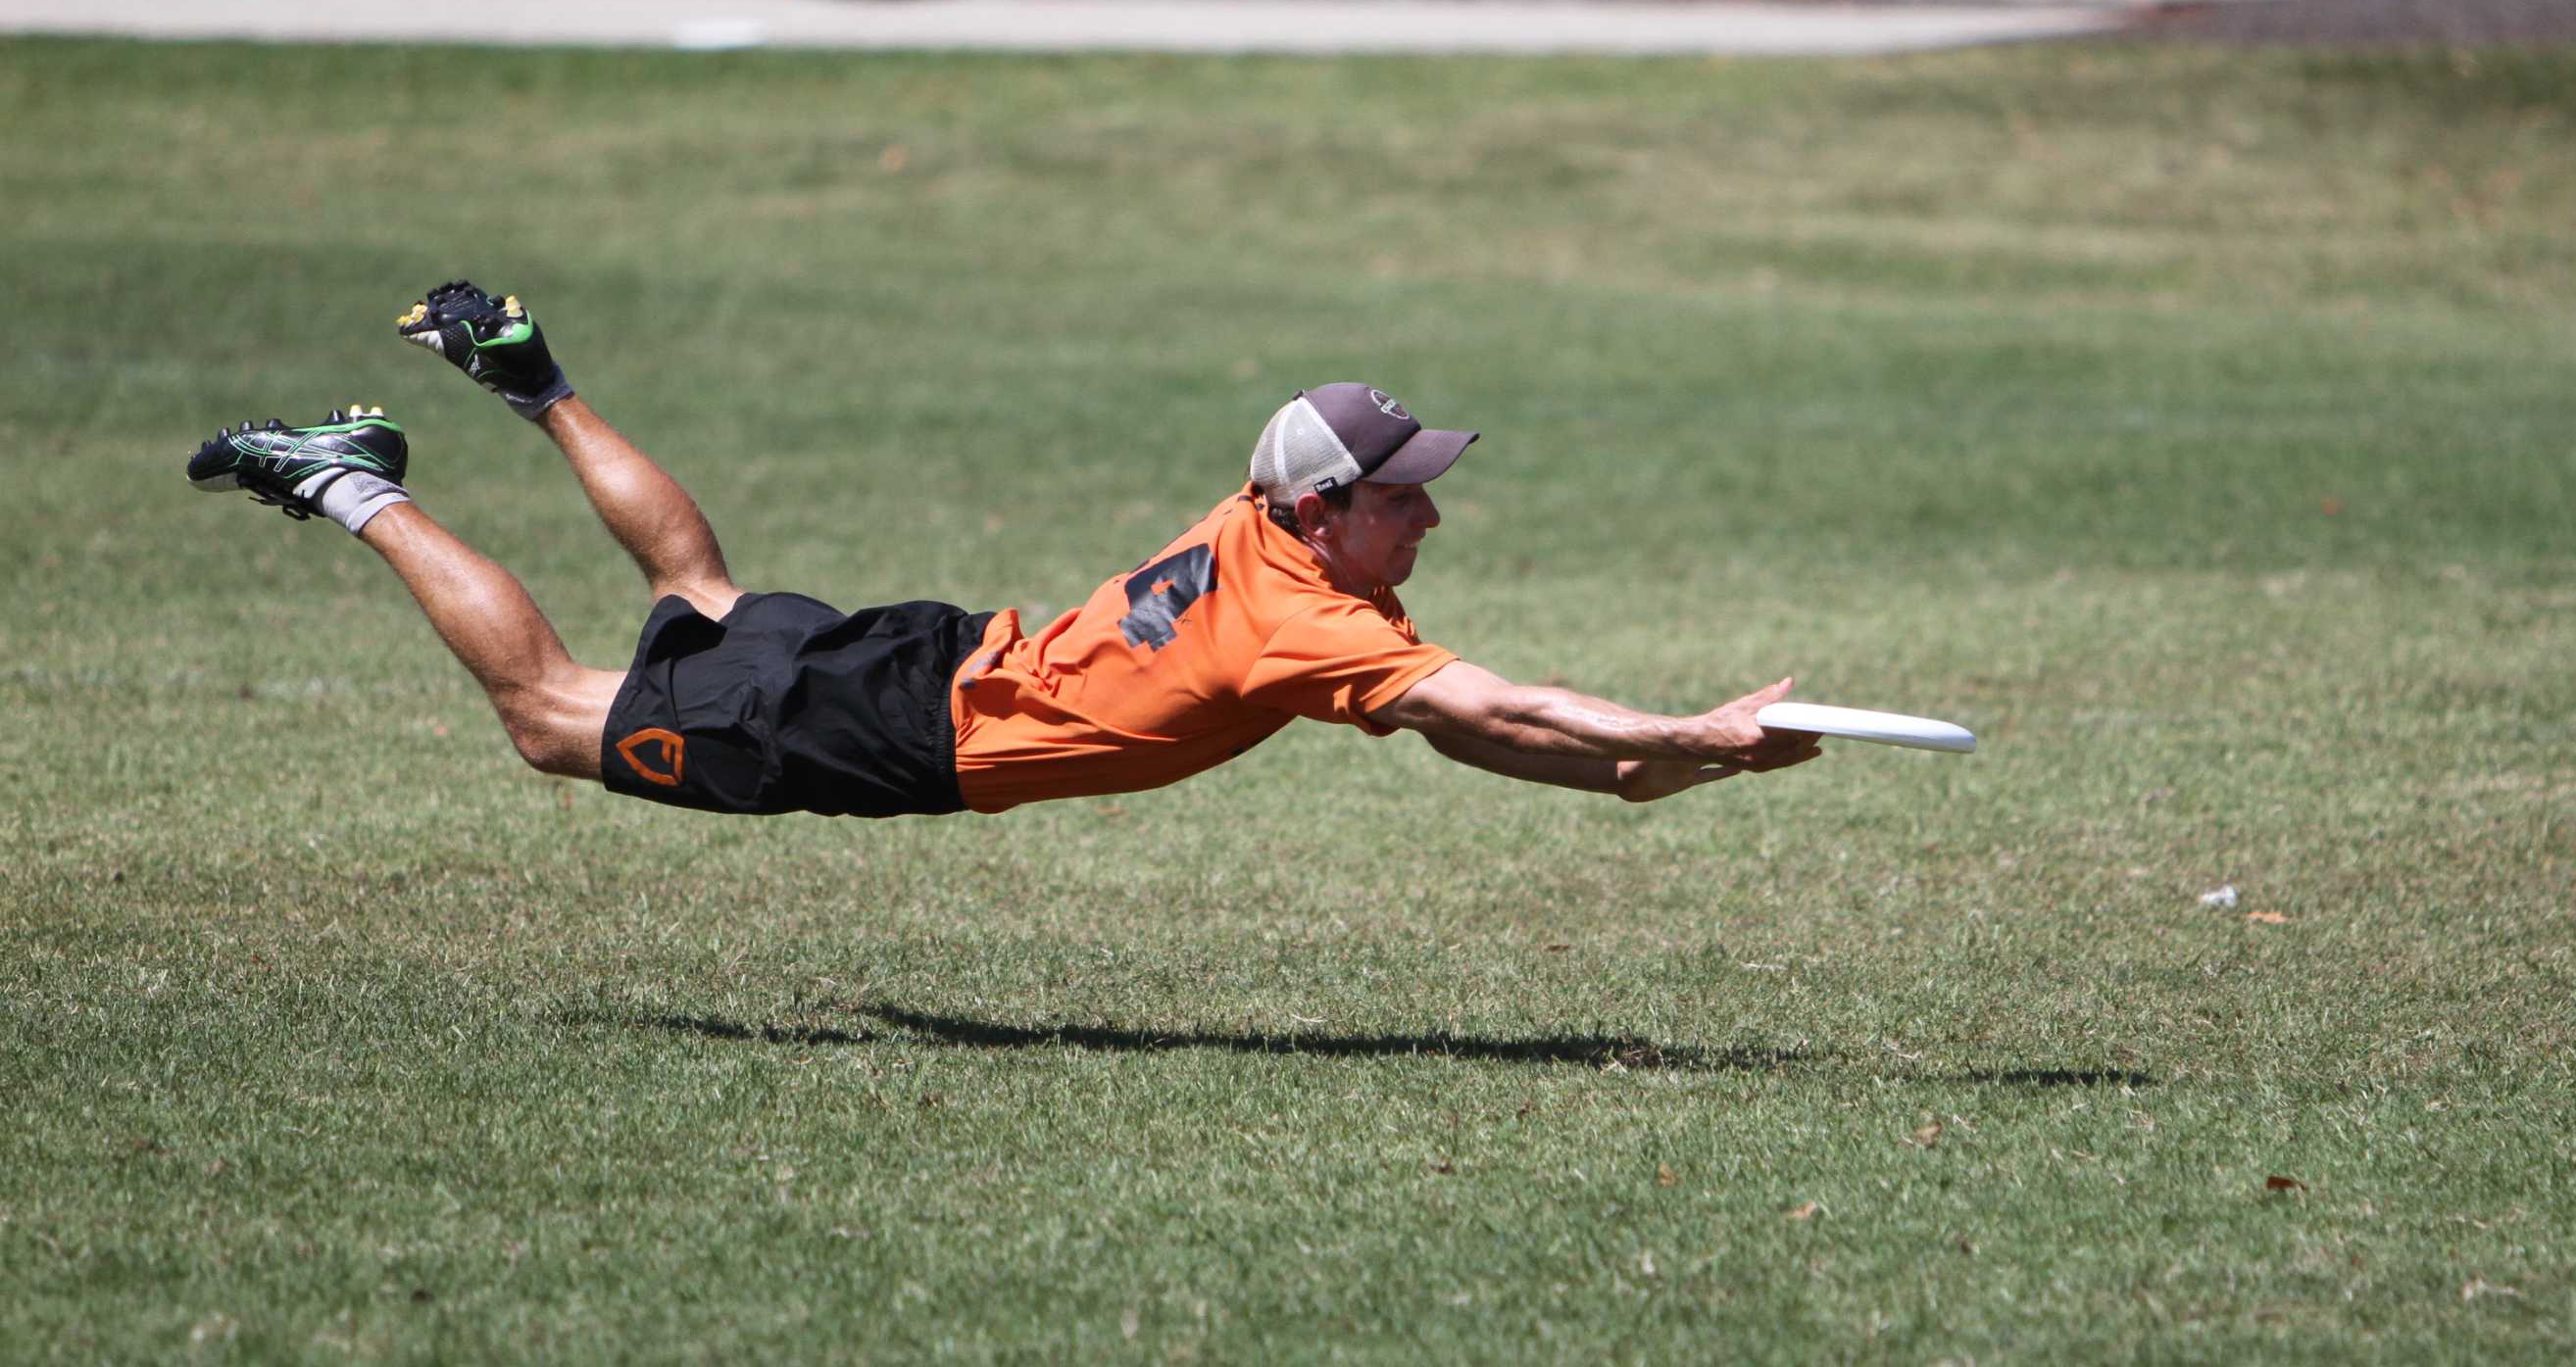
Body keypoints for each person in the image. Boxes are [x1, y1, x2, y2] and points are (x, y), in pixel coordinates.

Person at [184, 282, 1821, 818]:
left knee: (701, 599)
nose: (1432, 513)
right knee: (553, 717)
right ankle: (352, 489)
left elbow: (1469, 724)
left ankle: (534, 378)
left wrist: (1648, 775)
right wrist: (1681, 736)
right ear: (1322, 509)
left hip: (943, 655)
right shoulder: (1308, 621)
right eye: (1403, 494)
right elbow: (1506, 695)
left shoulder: (1258, 531)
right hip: (915, 715)